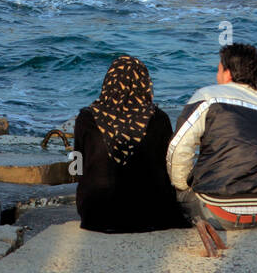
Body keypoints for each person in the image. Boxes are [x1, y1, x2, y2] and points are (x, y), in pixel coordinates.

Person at [166, 43, 257, 231]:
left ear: (228, 73)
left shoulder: (207, 97)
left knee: (176, 189)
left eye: (218, 70)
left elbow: (178, 148)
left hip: (216, 212)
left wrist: (182, 185)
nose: (217, 77)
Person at [74, 56, 190, 233]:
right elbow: (167, 166)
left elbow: (76, 168)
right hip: (150, 212)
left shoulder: (86, 118)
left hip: (96, 213)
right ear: (145, 84)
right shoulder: (158, 119)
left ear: (108, 82)